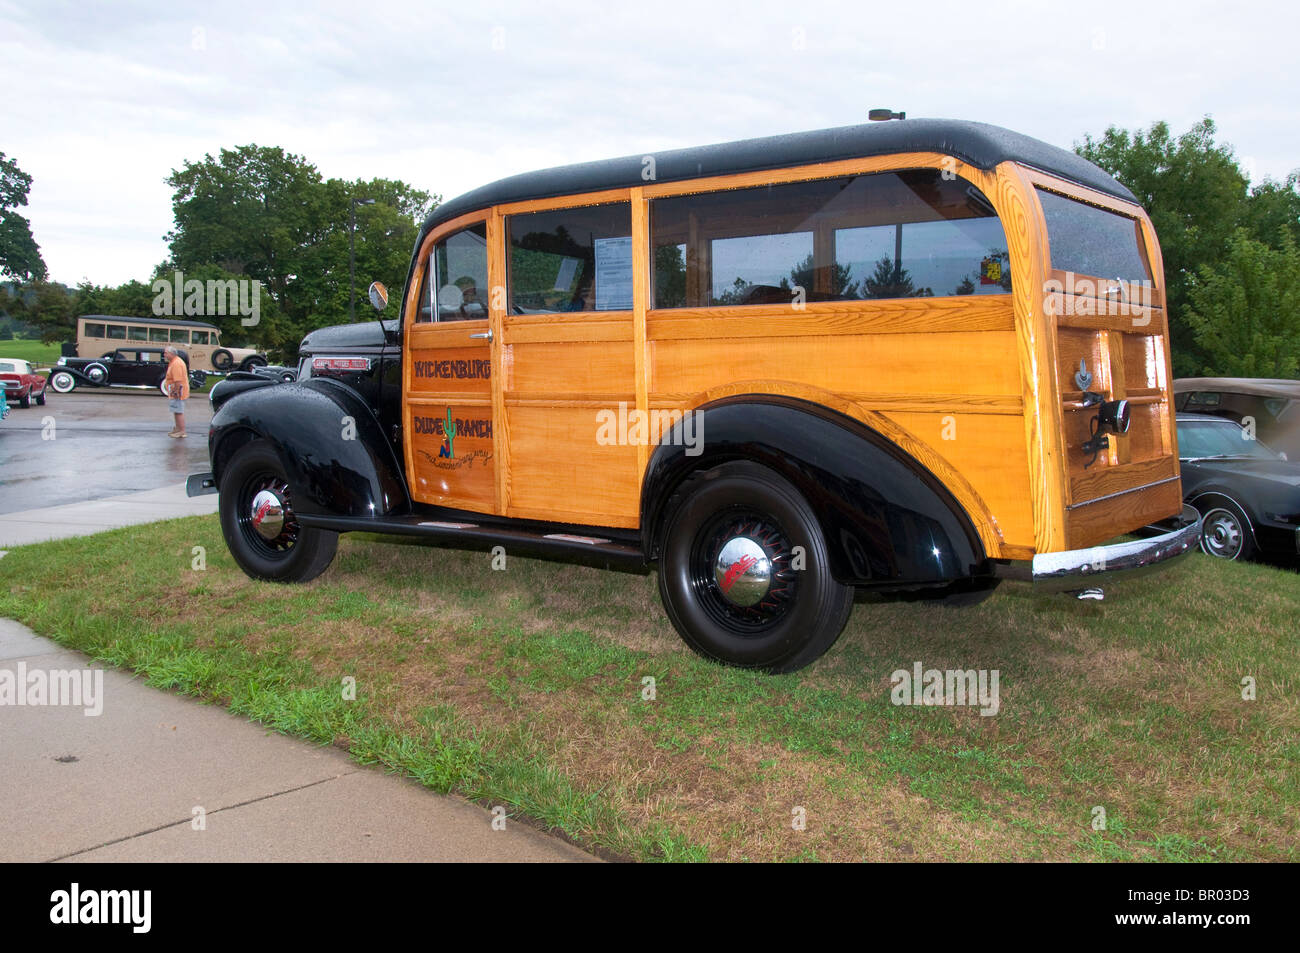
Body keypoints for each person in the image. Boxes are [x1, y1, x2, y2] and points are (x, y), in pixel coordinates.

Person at [163, 345, 189, 437]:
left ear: (171, 353)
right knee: (175, 410)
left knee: (178, 411)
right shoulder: (173, 362)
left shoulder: (176, 363)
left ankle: (182, 431)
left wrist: (176, 392)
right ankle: (177, 429)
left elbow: (178, 380)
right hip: (174, 390)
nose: (164, 355)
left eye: (166, 353)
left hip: (178, 391)